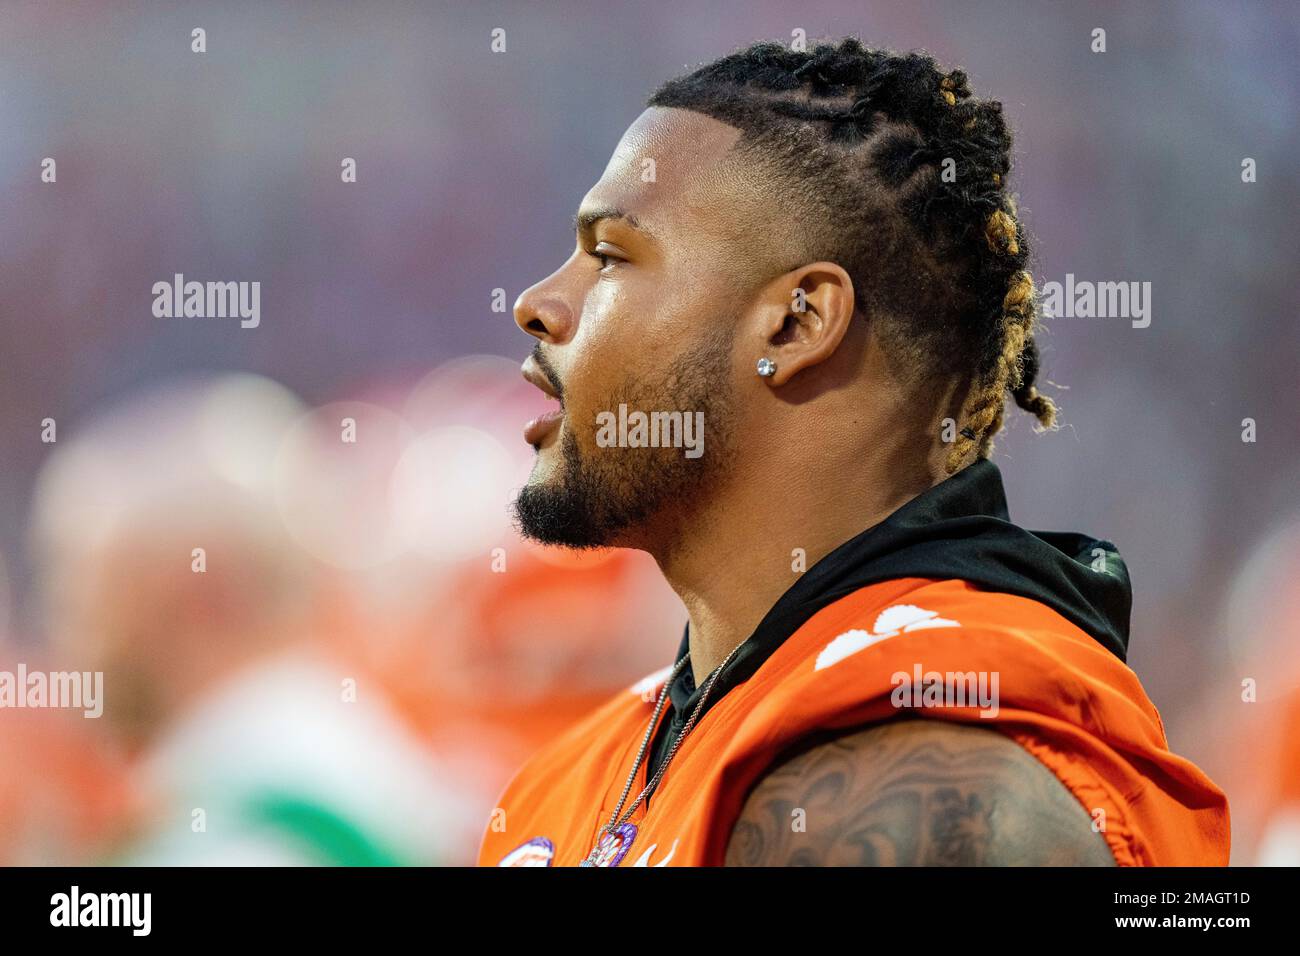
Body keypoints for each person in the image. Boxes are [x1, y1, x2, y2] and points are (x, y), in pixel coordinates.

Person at [479, 38, 1229, 866]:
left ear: (799, 324)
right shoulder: (569, 779)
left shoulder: (937, 784)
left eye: (611, 255)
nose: (538, 304)